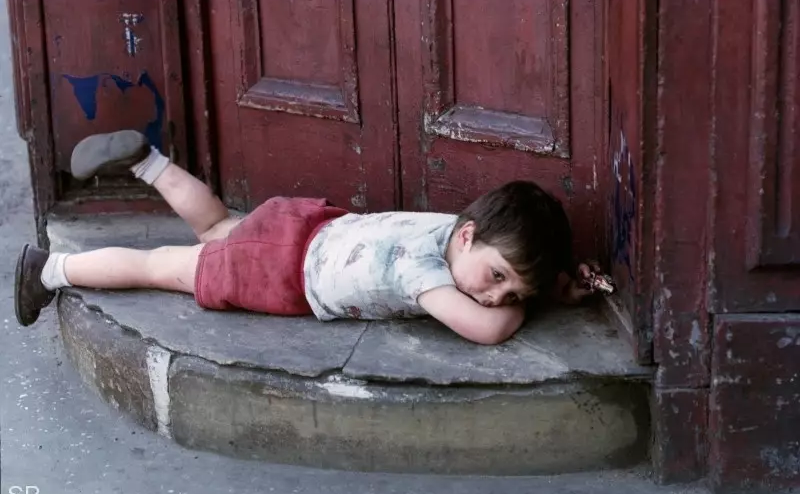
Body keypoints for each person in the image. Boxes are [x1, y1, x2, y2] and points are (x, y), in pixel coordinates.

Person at [15, 131, 600, 344]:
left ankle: (148, 163)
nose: (496, 298)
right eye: (499, 279)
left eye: (512, 294)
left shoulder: (451, 229)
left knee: (219, 227)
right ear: (469, 238)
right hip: (284, 274)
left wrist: (536, 285)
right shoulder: (425, 277)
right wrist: (532, 304)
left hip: (300, 225)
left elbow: (492, 285)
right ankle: (50, 270)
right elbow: (487, 331)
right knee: (161, 266)